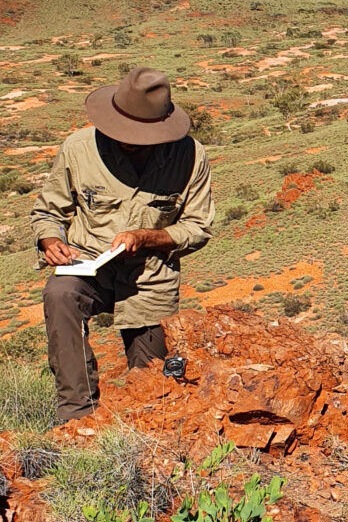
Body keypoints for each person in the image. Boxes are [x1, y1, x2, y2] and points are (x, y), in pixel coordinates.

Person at [30, 67, 215, 423]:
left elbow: (198, 227)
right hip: (89, 266)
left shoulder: (191, 156)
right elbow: (48, 211)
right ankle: (77, 416)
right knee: (60, 293)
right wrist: (50, 239)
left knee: (152, 383)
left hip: (150, 277)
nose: (129, 139)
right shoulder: (79, 148)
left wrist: (149, 237)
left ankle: (145, 435)